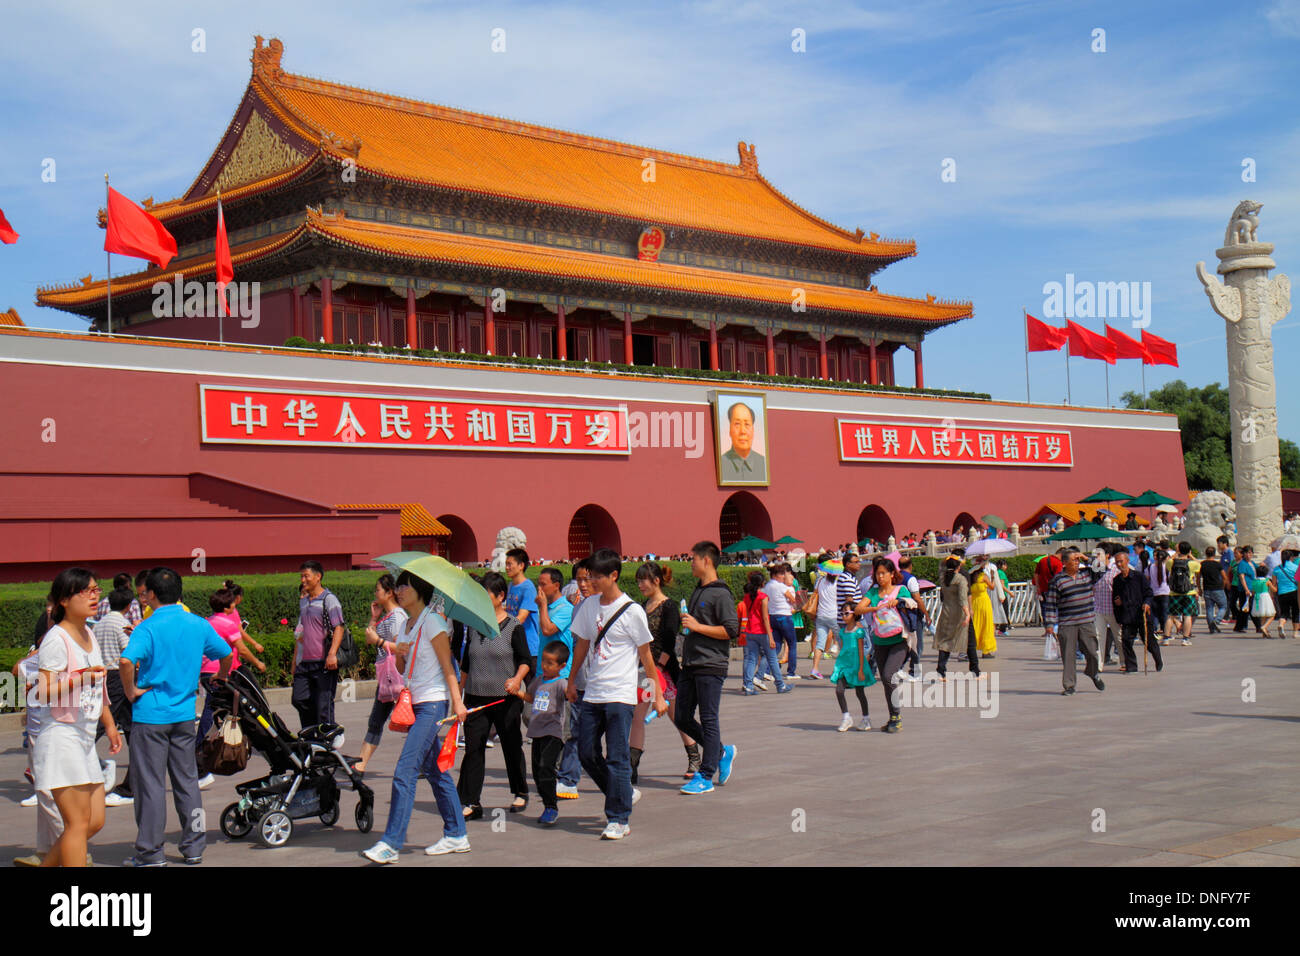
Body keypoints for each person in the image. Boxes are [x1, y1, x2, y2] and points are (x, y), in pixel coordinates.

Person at [118, 566, 231, 867]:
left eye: (144, 593)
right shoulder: (198, 623)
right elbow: (226, 653)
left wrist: (130, 692)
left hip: (150, 715)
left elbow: (126, 661)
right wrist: (219, 678)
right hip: (183, 715)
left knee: (150, 786)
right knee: (187, 782)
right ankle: (194, 847)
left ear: (152, 594)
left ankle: (151, 853)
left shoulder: (148, 627)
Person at [362, 570, 470, 863]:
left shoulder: (433, 621)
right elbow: (402, 663)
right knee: (436, 771)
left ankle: (391, 842)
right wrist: (399, 653)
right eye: (397, 586)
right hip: (416, 702)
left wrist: (457, 703)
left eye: (404, 586)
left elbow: (448, 665)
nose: (398, 590)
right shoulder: (408, 625)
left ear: (420, 590)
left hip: (433, 704)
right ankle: (457, 834)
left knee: (405, 771)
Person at [565, 549, 667, 839]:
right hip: (593, 692)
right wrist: (572, 681)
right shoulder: (588, 607)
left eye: (597, 576)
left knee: (618, 757)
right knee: (586, 752)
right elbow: (582, 645)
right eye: (589, 576)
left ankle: (618, 818)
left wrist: (657, 694)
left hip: (620, 695)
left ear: (613, 576)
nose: (591, 581)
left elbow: (646, 657)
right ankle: (622, 791)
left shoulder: (632, 611)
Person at [31, 569, 122, 868]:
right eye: (86, 591)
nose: (95, 595)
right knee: (78, 824)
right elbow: (42, 692)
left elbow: (98, 686)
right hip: (61, 736)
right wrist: (78, 679)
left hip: (83, 737)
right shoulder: (57, 639)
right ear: (64, 600)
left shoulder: (89, 633)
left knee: (94, 820)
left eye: (96, 589)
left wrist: (109, 724)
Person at [457, 571, 531, 818]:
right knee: (473, 748)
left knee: (511, 745)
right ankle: (471, 801)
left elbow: (525, 660)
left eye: (485, 595)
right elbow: (466, 662)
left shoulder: (513, 626)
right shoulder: (473, 626)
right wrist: (459, 696)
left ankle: (520, 792)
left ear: (500, 596)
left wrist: (517, 679)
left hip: (505, 697)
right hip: (476, 697)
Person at [676, 540, 740, 795]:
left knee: (709, 718)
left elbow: (731, 630)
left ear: (707, 561)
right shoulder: (698, 590)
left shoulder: (721, 594)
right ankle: (723, 751)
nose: (690, 563)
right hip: (691, 663)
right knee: (681, 717)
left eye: (693, 559)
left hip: (711, 663)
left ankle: (705, 774)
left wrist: (698, 626)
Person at [634, 560, 699, 779]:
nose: (640, 585)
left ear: (656, 581)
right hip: (644, 670)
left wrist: (659, 668)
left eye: (644, 580)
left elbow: (670, 640)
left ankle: (694, 757)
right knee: (638, 716)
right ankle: (631, 765)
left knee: (676, 716)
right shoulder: (641, 607)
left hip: (664, 671)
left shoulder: (669, 606)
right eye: (638, 580)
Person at [855, 556, 918, 733]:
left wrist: (898, 601)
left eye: (883, 573)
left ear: (892, 574)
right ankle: (892, 717)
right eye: (877, 574)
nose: (880, 577)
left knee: (889, 675)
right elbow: (858, 609)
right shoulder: (873, 593)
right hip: (880, 640)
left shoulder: (900, 590)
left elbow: (912, 604)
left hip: (899, 640)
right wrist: (874, 608)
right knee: (885, 678)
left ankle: (896, 716)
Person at [355, 574, 409, 773]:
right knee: (378, 721)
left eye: (378, 589)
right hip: (387, 678)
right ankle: (360, 764)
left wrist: (378, 641)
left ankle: (426, 763)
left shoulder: (397, 617)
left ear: (389, 592)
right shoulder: (387, 616)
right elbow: (369, 638)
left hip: (397, 678)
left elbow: (401, 648)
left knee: (406, 722)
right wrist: (374, 618)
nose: (375, 593)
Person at [515, 641, 570, 826]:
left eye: (550, 663)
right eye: (543, 661)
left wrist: (573, 694)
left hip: (553, 733)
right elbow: (531, 697)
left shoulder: (561, 683)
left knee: (546, 767)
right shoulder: (538, 680)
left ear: (561, 666)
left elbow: (569, 695)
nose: (545, 666)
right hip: (536, 732)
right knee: (538, 771)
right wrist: (518, 693)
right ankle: (547, 798)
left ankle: (551, 807)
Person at [556, 557, 594, 800]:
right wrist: (571, 680)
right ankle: (568, 778)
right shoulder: (579, 607)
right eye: (578, 579)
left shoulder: (610, 606)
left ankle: (621, 781)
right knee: (576, 732)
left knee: (608, 739)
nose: (582, 584)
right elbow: (577, 646)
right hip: (581, 681)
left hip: (604, 684)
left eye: (586, 579)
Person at [1042, 551, 1105, 696]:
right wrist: (1050, 624)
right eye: (1073, 560)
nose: (1076, 562)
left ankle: (1092, 672)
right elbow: (1051, 603)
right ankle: (1069, 685)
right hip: (1067, 623)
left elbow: (1102, 569)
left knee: (1092, 652)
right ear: (1064, 563)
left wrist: (1087, 558)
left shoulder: (1086, 574)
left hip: (1086, 621)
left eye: (1077, 560)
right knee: (1068, 655)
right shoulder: (1058, 580)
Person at [291, 561, 345, 729]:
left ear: (318, 576)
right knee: (299, 699)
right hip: (304, 662)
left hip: (323, 662)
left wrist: (332, 654)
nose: (303, 580)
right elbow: (301, 633)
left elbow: (339, 627)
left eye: (306, 576)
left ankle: (327, 741)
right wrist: (295, 661)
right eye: (301, 576)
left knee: (324, 705)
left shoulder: (329, 600)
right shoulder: (304, 601)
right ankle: (312, 733)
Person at [739, 570, 792, 695]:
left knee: (751, 659)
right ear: (762, 583)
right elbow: (765, 618)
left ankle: (748, 685)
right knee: (772, 658)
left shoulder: (747, 597)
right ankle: (780, 685)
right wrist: (771, 637)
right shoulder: (763, 597)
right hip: (762, 631)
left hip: (750, 631)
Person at [1111, 551, 1161, 672]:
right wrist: (1118, 605)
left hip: (1141, 613)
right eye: (1117, 562)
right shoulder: (1117, 580)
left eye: (1121, 561)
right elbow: (1115, 598)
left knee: (1148, 641)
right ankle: (1131, 666)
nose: (1119, 564)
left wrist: (1147, 603)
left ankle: (1158, 659)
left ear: (1127, 561)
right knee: (1126, 641)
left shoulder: (1139, 576)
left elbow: (1149, 593)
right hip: (1127, 615)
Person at [831, 602, 875, 731]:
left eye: (846, 613)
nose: (843, 616)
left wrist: (861, 669)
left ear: (854, 614)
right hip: (844, 664)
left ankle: (866, 718)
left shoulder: (859, 631)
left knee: (860, 692)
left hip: (856, 665)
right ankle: (846, 717)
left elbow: (861, 651)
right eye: (842, 613)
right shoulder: (842, 632)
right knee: (839, 690)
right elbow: (843, 647)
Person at [934, 556, 978, 680]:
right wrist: (968, 613)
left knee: (945, 642)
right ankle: (975, 671)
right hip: (960, 614)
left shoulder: (943, 578)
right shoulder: (960, 579)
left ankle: (940, 671)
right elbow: (963, 599)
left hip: (947, 612)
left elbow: (941, 565)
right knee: (970, 642)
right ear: (958, 567)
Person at [805, 558, 842, 680]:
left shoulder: (820, 581)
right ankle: (840, 670)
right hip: (834, 616)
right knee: (842, 643)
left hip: (821, 615)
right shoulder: (838, 583)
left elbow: (816, 594)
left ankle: (815, 669)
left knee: (820, 644)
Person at [504, 548, 541, 663]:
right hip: (515, 644)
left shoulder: (528, 588)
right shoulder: (511, 585)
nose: (506, 568)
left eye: (510, 564)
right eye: (506, 564)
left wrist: (502, 630)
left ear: (521, 565)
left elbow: (521, 617)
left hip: (528, 647)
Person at [764, 563, 799, 681]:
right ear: (775, 575)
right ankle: (791, 672)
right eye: (781, 574)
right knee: (792, 643)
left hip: (772, 616)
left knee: (776, 644)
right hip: (784, 615)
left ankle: (767, 670)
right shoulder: (780, 586)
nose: (783, 577)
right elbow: (793, 599)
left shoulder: (767, 586)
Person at [719, 401, 766, 482]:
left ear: (753, 430)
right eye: (737, 424)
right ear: (730, 429)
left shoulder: (764, 465)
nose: (743, 431)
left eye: (747, 424)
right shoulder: (721, 464)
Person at [1165, 542, 1201, 646]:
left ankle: (1166, 637)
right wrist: (1191, 555)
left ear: (1179, 550)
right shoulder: (1191, 563)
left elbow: (1167, 562)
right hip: (1188, 592)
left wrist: (1176, 553)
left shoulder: (1172, 562)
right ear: (1189, 550)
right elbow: (1199, 565)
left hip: (1174, 592)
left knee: (1170, 616)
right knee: (1187, 615)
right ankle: (1185, 639)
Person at [1091, 547, 1121, 668]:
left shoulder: (1115, 571)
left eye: (1099, 554)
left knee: (1119, 637)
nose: (1096, 557)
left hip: (1113, 610)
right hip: (1099, 609)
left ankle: (1124, 660)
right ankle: (1099, 664)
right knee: (1098, 636)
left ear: (1107, 555)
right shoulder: (1094, 572)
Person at [968, 555, 997, 658]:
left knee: (975, 626)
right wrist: (992, 577)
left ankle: (971, 649)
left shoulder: (970, 577)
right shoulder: (984, 576)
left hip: (974, 603)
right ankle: (986, 650)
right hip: (984, 602)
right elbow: (992, 587)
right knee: (986, 625)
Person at [1267, 549, 1298, 639]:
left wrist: (1272, 594)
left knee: (1284, 612)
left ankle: (1281, 624)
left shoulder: (1277, 569)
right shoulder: (1295, 567)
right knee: (1296, 612)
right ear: (1291, 557)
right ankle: (1295, 633)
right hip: (1294, 591)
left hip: (1282, 593)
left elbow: (1274, 583)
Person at [1145, 545, 1172, 643]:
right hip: (1165, 592)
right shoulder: (1167, 567)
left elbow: (1147, 579)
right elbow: (1169, 579)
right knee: (1165, 614)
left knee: (1155, 614)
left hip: (1154, 592)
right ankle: (1166, 633)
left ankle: (1154, 631)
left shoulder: (1149, 567)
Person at [1233, 547, 1262, 634]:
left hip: (1252, 588)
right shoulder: (1242, 564)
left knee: (1245, 609)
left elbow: (1258, 569)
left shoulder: (1252, 563)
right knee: (1250, 607)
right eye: (1246, 553)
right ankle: (1258, 626)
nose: (1248, 555)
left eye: (1250, 553)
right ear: (1243, 554)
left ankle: (1238, 626)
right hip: (1246, 589)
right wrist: (1246, 589)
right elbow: (1242, 577)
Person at [1200, 546, 1228, 634]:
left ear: (1206, 553)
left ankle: (1211, 627)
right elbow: (1224, 577)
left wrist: (1199, 588)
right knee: (1223, 606)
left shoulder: (1202, 564)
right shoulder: (1217, 564)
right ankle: (1216, 622)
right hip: (1217, 588)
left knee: (1209, 608)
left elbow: (1198, 577)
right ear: (1214, 554)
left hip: (1207, 588)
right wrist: (1223, 586)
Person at [1251, 564, 1276, 637]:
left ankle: (1264, 633)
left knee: (1263, 616)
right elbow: (1274, 590)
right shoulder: (1267, 581)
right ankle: (1264, 627)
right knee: (1272, 615)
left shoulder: (1254, 581)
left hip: (1257, 598)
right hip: (1265, 597)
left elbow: (1253, 592)